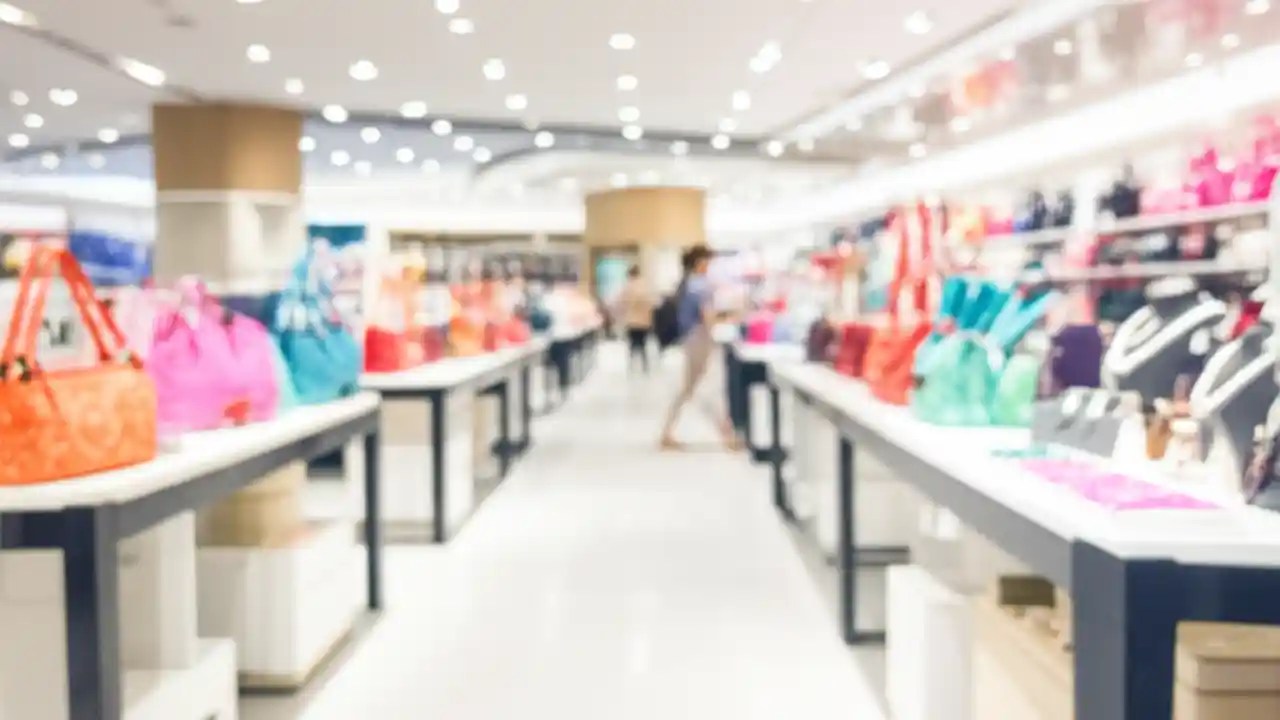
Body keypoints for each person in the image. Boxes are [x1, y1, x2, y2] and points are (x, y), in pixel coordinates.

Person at [660, 245, 739, 450]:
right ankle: (726, 435)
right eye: (707, 261)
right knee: (702, 386)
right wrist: (725, 319)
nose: (710, 266)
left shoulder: (689, 283)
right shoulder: (700, 285)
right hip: (700, 339)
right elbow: (707, 316)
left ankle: (668, 433)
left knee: (691, 387)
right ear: (699, 262)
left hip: (693, 338)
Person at [616, 266, 654, 373]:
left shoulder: (627, 287)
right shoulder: (645, 286)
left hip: (631, 321)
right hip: (644, 321)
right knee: (643, 344)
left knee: (632, 343)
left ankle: (631, 365)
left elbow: (621, 302)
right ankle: (645, 365)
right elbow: (651, 304)